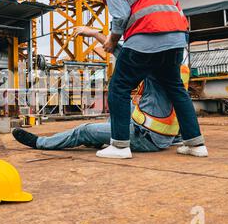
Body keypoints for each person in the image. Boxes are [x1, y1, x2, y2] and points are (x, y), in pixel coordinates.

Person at [88, 0, 208, 159]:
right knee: (176, 89)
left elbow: (120, 16)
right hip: (176, 38)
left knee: (118, 87)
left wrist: (112, 41)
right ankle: (195, 144)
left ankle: (119, 146)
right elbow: (176, 7)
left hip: (147, 36)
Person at [12, 26, 189, 153]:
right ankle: (101, 139)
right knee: (118, 104)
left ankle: (42, 142)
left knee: (84, 130)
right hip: (164, 133)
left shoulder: (157, 66)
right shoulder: (178, 68)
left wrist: (94, 34)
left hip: (147, 136)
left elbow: (120, 52)